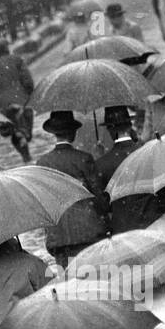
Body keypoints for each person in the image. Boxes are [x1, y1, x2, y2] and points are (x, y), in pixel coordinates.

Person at [36, 110, 108, 267]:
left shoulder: (42, 162)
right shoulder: (83, 158)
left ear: (54, 134)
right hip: (88, 232)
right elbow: (98, 195)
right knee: (96, 284)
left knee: (68, 286)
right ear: (74, 133)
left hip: (59, 237)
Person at [0, 39, 34, 161]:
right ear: (7, 48)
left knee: (13, 129)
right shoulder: (17, 60)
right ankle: (24, 139)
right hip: (21, 100)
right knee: (25, 127)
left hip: (5, 104)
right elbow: (27, 80)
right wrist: (28, 94)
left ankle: (25, 155)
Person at [92, 106, 141, 192]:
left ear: (110, 130)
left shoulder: (101, 164)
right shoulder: (145, 151)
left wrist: (100, 158)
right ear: (130, 125)